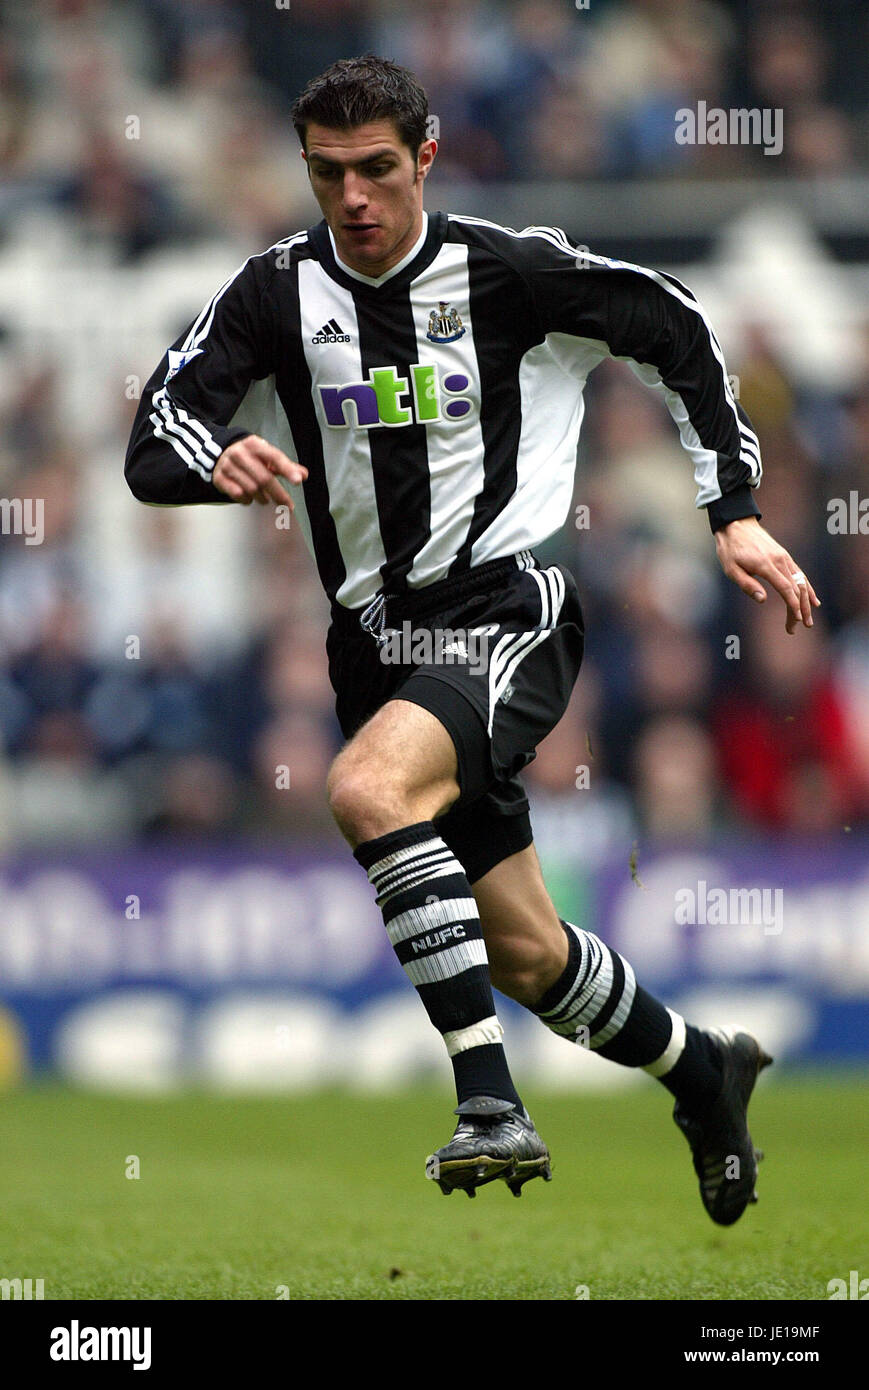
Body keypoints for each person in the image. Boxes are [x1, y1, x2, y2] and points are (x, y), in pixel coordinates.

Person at [125, 55, 819, 1222]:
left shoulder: (504, 271)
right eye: (326, 171)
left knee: (363, 787)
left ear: (425, 160)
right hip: (375, 646)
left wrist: (731, 511)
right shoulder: (271, 293)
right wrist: (215, 459)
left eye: (376, 171)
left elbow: (672, 324)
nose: (351, 197)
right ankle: (702, 1070)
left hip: (506, 609)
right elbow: (156, 434)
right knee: (530, 954)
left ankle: (487, 1100)